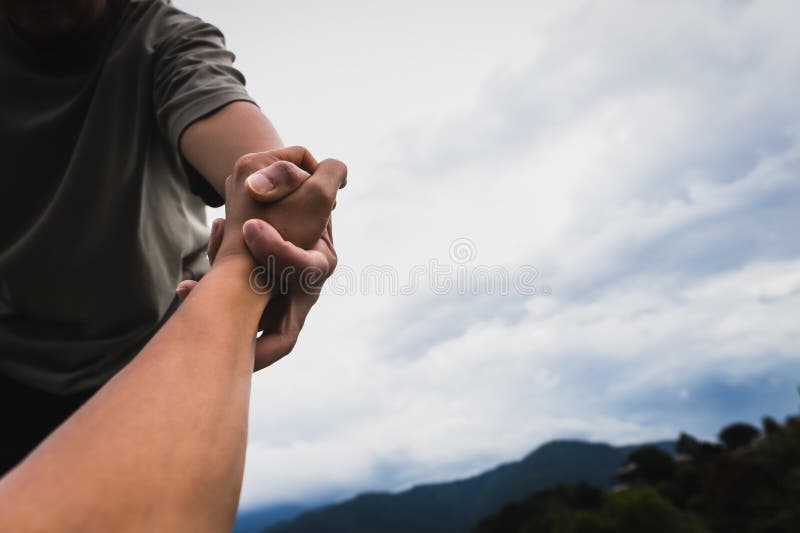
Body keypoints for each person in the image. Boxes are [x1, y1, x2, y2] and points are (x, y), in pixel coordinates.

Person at [0, 0, 344, 473]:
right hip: (13, 365)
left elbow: (255, 165)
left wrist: (283, 205)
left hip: (159, 343)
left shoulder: (164, 39)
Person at [0, 153, 344, 531]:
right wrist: (248, 264)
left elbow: (251, 155)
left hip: (156, 338)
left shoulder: (138, 90)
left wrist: (279, 210)